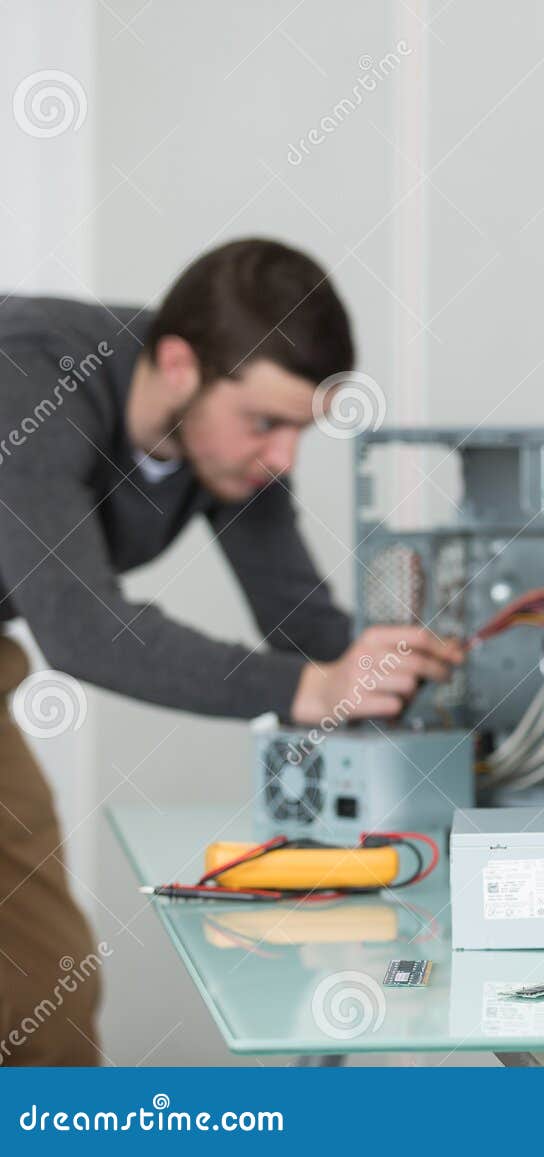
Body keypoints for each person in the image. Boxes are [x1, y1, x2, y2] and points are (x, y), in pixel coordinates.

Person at [0, 239, 461, 1065]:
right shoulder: (31, 381)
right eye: (267, 424)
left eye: (300, 430)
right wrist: (312, 689)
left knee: (46, 986)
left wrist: (413, 682)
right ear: (180, 365)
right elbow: (84, 630)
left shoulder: (222, 442)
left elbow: (301, 622)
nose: (283, 457)